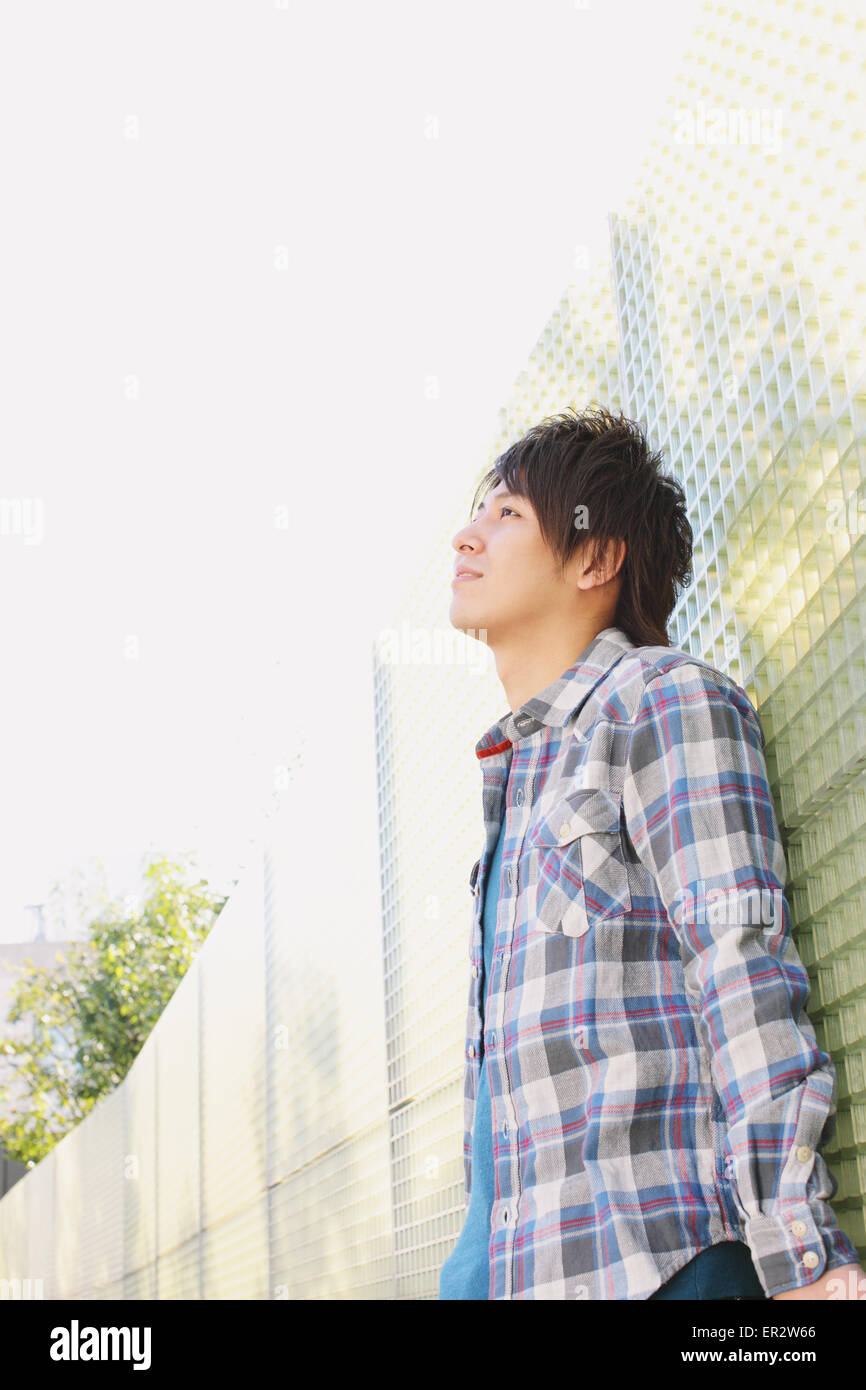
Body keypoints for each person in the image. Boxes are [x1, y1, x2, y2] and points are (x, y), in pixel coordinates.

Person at [438, 404, 864, 1301]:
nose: (466, 536)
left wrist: (800, 1252)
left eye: (507, 514)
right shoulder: (509, 781)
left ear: (596, 557)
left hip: (659, 1269)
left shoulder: (663, 700)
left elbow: (740, 963)